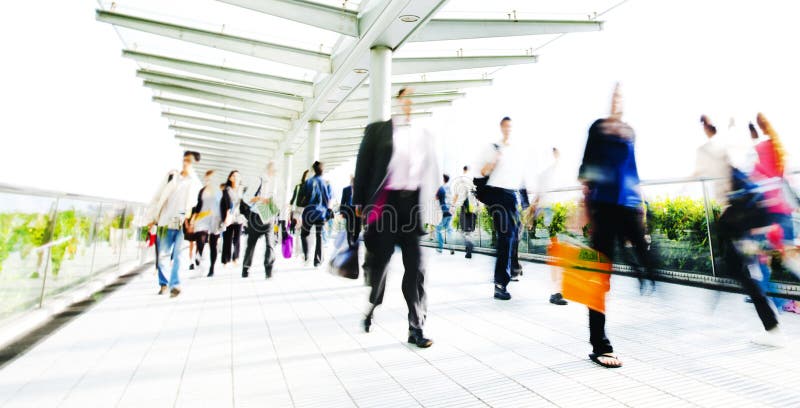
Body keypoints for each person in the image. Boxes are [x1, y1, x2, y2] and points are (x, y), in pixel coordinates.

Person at [354, 87, 440, 348]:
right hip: (386, 206)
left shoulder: (423, 135)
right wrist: (359, 202)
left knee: (416, 268)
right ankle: (371, 307)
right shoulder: (378, 131)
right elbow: (363, 165)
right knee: (380, 265)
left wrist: (432, 208)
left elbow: (431, 174)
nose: (409, 103)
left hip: (411, 207)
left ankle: (416, 327)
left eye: (414, 99)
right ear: (398, 101)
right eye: (405, 98)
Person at [579, 83, 655, 368]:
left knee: (649, 262)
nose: (617, 101)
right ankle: (600, 345)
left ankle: (640, 269)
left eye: (621, 96)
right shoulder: (598, 128)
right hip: (603, 206)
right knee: (599, 279)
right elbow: (587, 168)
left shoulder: (629, 131)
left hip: (630, 206)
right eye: (614, 96)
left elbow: (632, 170)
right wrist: (583, 209)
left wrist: (641, 208)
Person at [478, 116, 530, 301]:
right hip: (497, 194)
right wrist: (494, 161)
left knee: (513, 236)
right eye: (506, 126)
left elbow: (520, 177)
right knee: (506, 235)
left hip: (512, 196)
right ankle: (500, 284)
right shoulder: (493, 148)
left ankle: (510, 271)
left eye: (511, 127)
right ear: (501, 127)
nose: (508, 129)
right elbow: (483, 172)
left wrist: (526, 204)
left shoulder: (517, 150)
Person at [146, 151, 202, 297]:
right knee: (162, 256)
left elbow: (198, 206)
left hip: (182, 222)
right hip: (165, 220)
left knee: (179, 255)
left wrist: (193, 222)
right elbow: (157, 197)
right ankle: (164, 284)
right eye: (185, 160)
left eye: (189, 161)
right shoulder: (172, 176)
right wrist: (151, 218)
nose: (186, 163)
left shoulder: (196, 184)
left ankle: (175, 285)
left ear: (195, 164)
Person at [531, 147, 569, 305]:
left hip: (552, 215)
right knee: (557, 255)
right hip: (552, 215)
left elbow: (537, 199)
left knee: (558, 255)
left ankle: (557, 291)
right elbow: (538, 199)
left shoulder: (544, 175)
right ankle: (556, 292)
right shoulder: (549, 173)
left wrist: (531, 217)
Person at [241, 162, 279, 278]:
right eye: (274, 170)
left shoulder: (273, 183)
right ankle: (246, 268)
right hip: (256, 216)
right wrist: (261, 199)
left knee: (270, 244)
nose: (275, 173)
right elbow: (246, 198)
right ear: (269, 170)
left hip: (268, 215)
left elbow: (274, 201)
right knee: (251, 243)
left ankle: (268, 270)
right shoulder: (259, 180)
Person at [192, 171, 224, 277]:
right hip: (203, 218)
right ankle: (199, 258)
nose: (208, 181)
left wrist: (223, 220)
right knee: (200, 240)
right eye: (207, 179)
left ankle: (212, 268)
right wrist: (193, 218)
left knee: (213, 244)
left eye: (210, 179)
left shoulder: (219, 192)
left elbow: (223, 206)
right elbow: (199, 205)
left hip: (215, 219)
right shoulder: (202, 191)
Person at [300, 161, 332, 267]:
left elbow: (302, 198)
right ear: (322, 170)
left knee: (304, 234)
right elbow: (327, 199)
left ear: (314, 170)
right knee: (319, 236)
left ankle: (306, 255)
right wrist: (328, 211)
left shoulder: (308, 181)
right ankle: (317, 261)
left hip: (308, 212)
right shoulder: (324, 182)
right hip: (320, 213)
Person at [451, 165, 477, 258]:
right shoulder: (473, 179)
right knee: (470, 230)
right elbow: (477, 194)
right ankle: (468, 250)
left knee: (463, 229)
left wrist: (453, 206)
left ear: (463, 169)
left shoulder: (460, 180)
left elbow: (456, 195)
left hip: (464, 207)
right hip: (473, 208)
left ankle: (469, 245)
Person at [220, 170, 243, 267]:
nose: (236, 177)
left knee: (237, 239)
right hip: (229, 217)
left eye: (237, 176)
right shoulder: (226, 190)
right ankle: (225, 260)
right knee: (227, 239)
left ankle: (235, 258)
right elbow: (225, 204)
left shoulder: (242, 189)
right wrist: (224, 217)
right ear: (230, 178)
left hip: (239, 217)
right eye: (233, 176)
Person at [435, 174, 455, 254]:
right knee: (449, 230)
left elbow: (435, 198)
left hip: (444, 211)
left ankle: (440, 248)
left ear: (443, 179)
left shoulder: (440, 188)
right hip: (450, 211)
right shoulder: (449, 188)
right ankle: (452, 247)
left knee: (438, 229)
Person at [340, 175, 360, 248]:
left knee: (358, 228)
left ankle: (354, 239)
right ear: (351, 182)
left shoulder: (360, 189)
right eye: (353, 182)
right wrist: (342, 212)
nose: (354, 184)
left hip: (358, 210)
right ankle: (349, 243)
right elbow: (343, 202)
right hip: (349, 210)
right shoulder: (346, 189)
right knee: (349, 228)